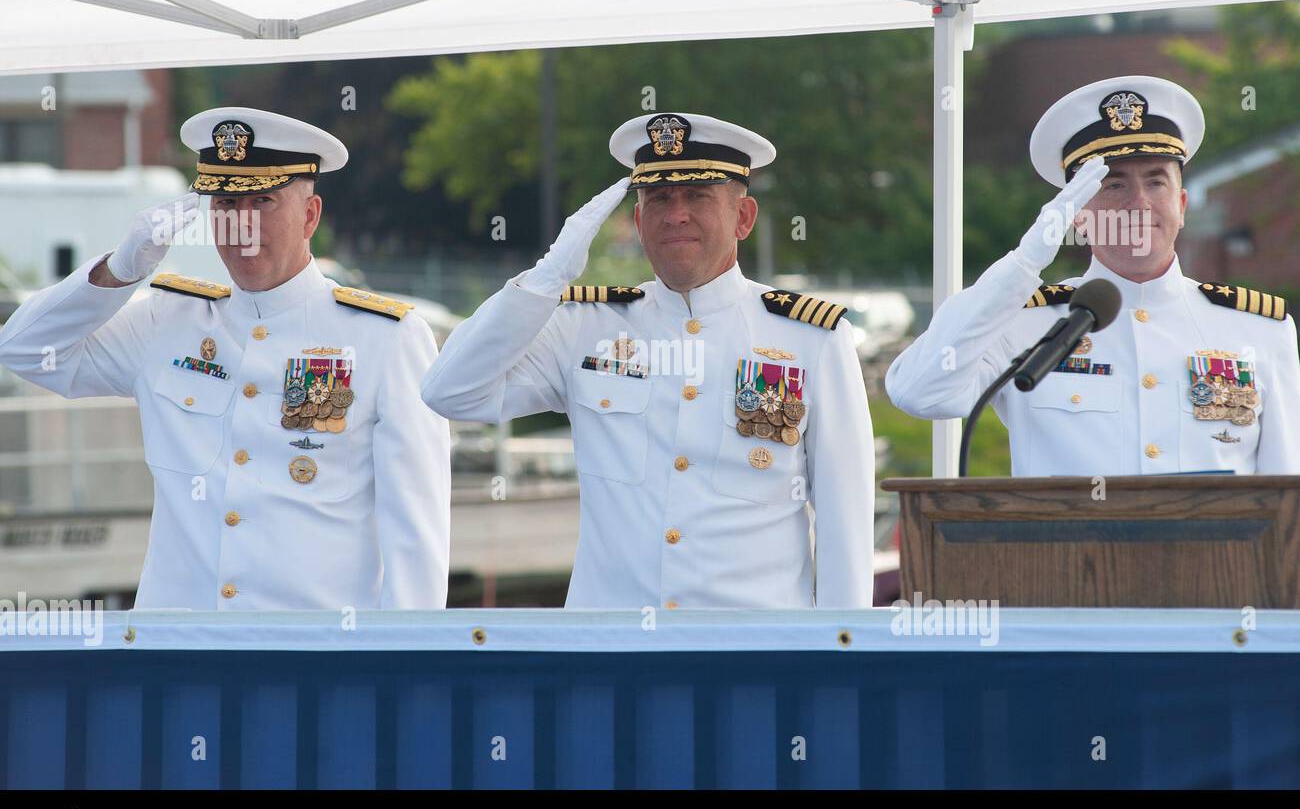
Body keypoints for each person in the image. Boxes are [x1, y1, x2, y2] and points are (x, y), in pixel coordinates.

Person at [0, 107, 451, 609]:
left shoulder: (386, 339)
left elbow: (415, 536)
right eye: (226, 204)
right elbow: (23, 349)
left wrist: (398, 670)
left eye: (263, 201)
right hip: (176, 659)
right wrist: (119, 271)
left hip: (313, 664)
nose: (243, 224)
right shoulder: (167, 322)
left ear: (309, 216)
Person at [421, 112, 875, 609]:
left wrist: (840, 655)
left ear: (743, 218)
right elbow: (449, 391)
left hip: (751, 656)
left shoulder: (812, 339)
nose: (675, 214)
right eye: (658, 199)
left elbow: (843, 520)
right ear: (638, 221)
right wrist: (546, 279)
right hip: (610, 657)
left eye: (698, 196)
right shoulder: (586, 327)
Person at [886, 76, 1300, 475]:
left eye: (1156, 182)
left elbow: (1286, 489)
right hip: (1067, 550)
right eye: (1113, 186)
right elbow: (920, 392)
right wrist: (1025, 262)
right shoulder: (1022, 322)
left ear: (1182, 205)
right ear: (1077, 215)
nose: (1138, 203)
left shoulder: (1259, 328)